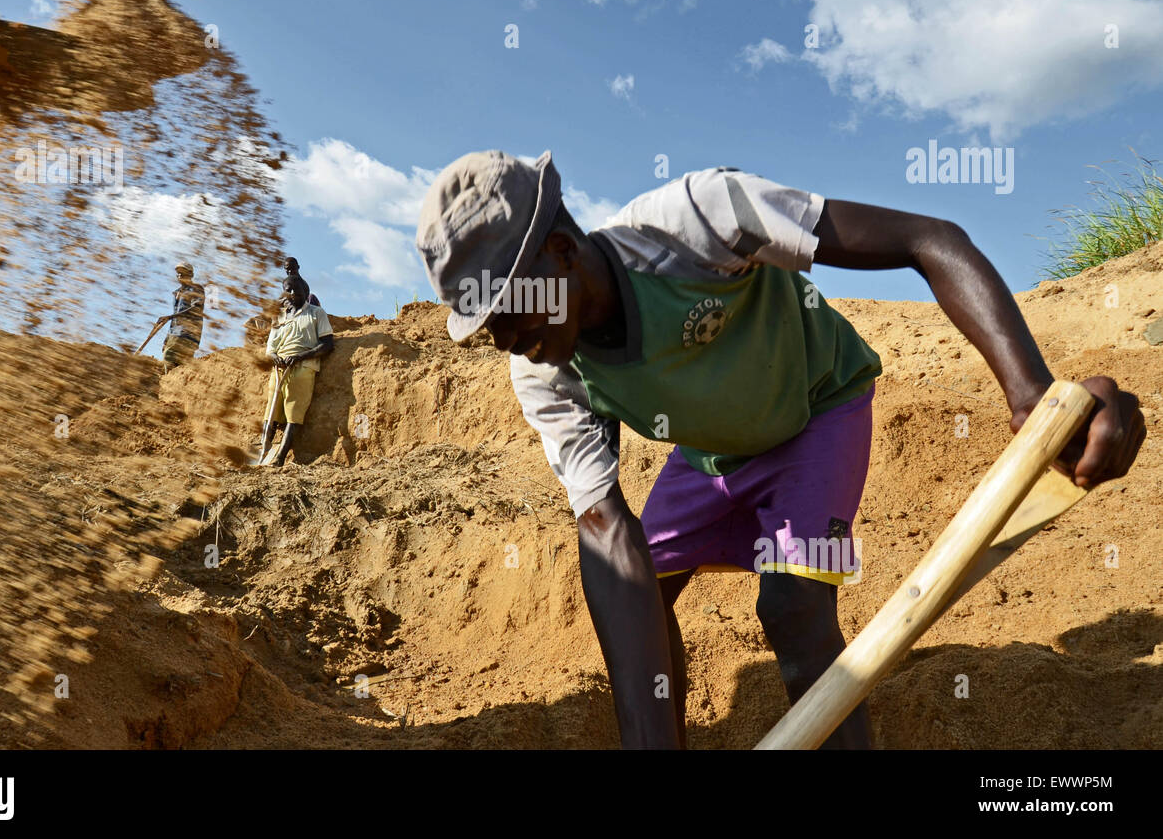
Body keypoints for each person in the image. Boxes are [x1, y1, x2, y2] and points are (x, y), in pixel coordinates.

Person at [415, 149, 1145, 750]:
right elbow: (606, 529)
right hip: (706, 452)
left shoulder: (700, 219)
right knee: (644, 589)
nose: (504, 339)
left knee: (793, 606)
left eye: (505, 307)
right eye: (483, 325)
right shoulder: (543, 366)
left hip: (817, 411)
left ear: (562, 251)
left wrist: (1034, 397)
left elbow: (934, 241)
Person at [259, 276, 334, 467]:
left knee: (294, 411)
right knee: (271, 410)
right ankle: (263, 449)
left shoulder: (317, 313)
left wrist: (301, 357)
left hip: (303, 366)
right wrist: (274, 357)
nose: (292, 294)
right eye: (288, 290)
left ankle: (280, 457)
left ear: (305, 291)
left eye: (296, 290)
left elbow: (327, 344)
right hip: (279, 367)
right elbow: (270, 347)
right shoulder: (279, 318)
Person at [160, 263, 206, 373]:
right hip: (175, 333)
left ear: (191, 275)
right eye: (179, 273)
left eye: (184, 273)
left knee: (169, 357)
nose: (180, 275)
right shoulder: (177, 293)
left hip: (189, 332)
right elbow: (176, 318)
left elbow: (196, 308)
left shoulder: (196, 289)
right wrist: (167, 339)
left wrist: (170, 317)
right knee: (179, 365)